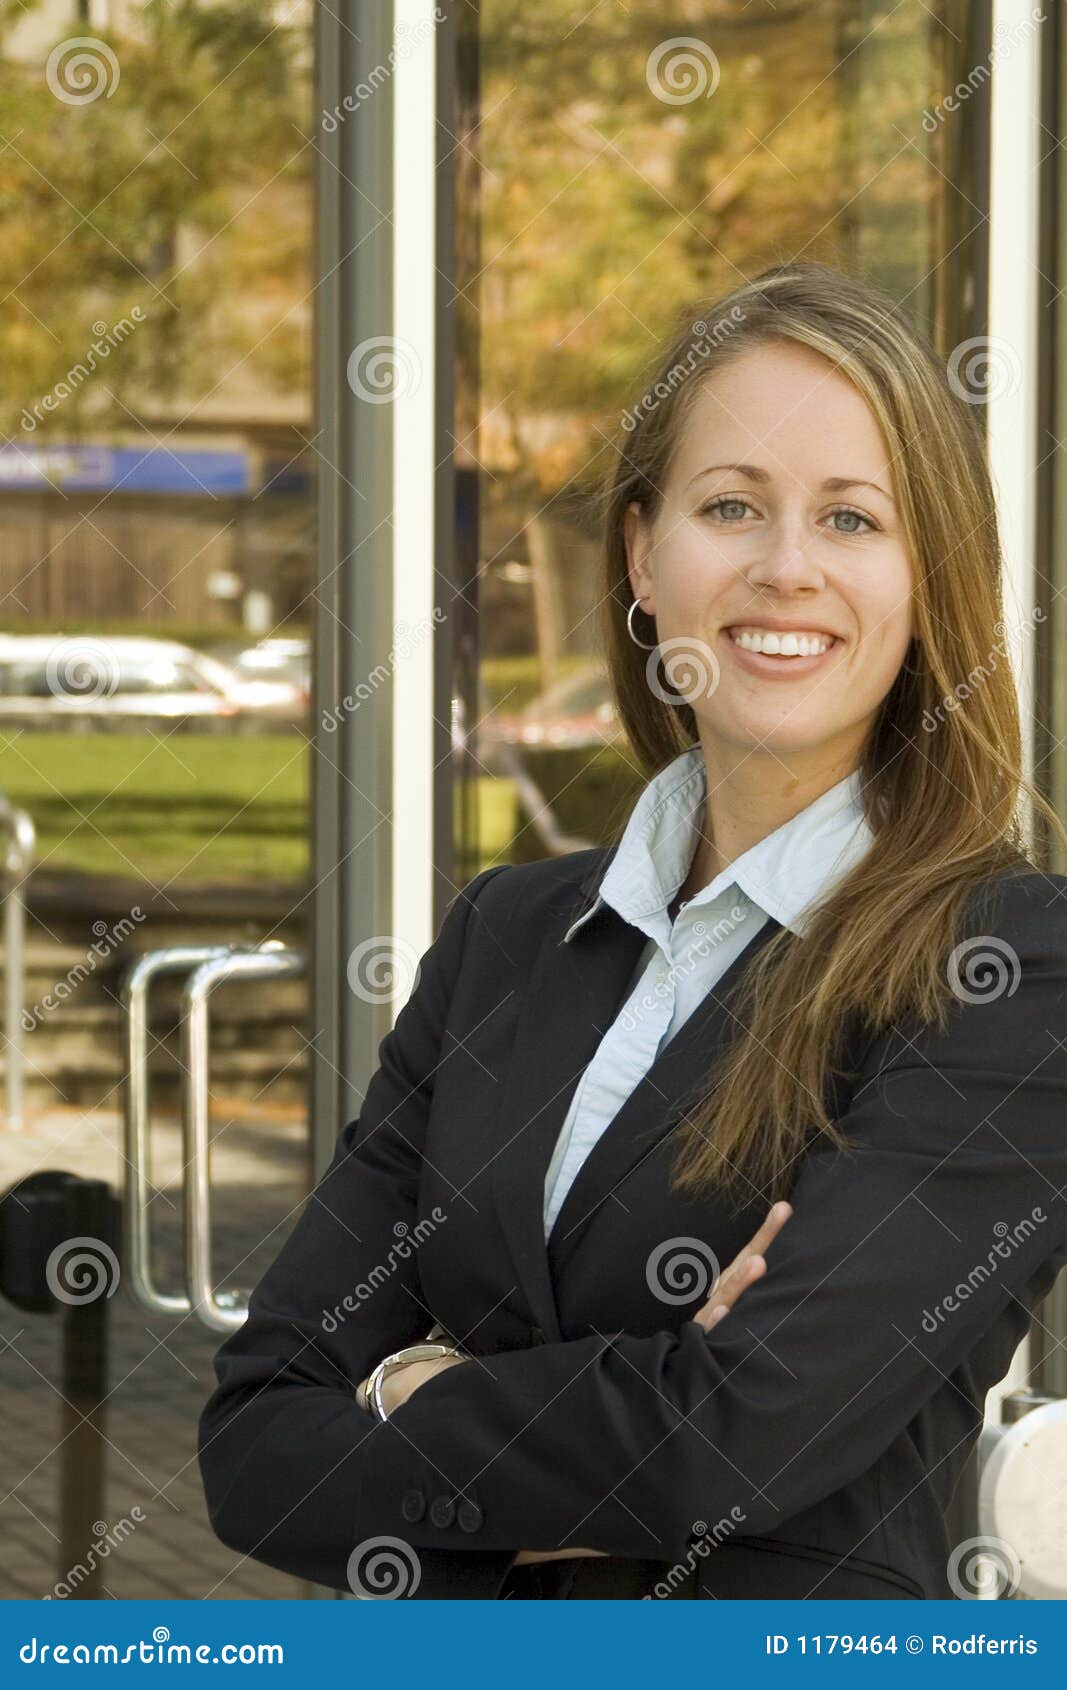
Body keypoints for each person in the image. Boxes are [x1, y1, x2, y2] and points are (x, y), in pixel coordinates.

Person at [197, 261, 1067, 1601]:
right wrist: (634, 1417)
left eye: (852, 518)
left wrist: (411, 1390)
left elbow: (728, 1442)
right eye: (732, 506)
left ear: (927, 580)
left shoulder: (1007, 964)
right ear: (642, 558)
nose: (787, 567)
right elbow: (254, 1437)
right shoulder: (509, 933)